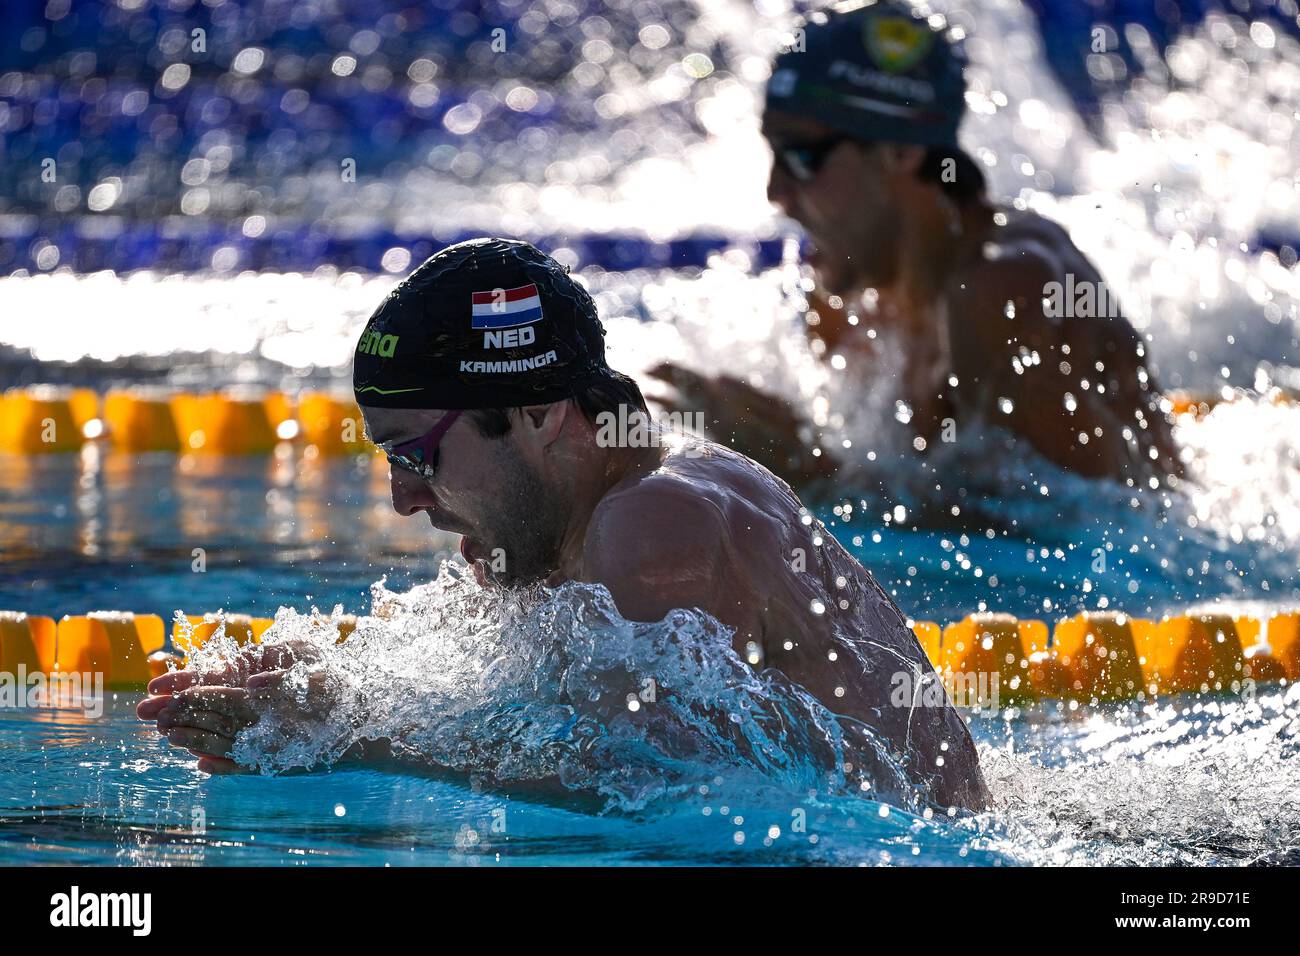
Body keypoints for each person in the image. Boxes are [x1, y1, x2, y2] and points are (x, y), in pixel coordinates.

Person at [137, 237, 990, 811]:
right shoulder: (573, 514)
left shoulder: (653, 522)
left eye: (417, 454)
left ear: (540, 415)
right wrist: (325, 681)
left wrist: (350, 741)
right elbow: (525, 698)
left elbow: (670, 785)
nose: (404, 499)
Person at [651, 0, 1182, 485]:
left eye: (801, 156)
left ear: (901, 152)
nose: (777, 192)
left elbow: (1105, 531)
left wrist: (806, 470)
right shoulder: (844, 292)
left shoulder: (1005, 291)